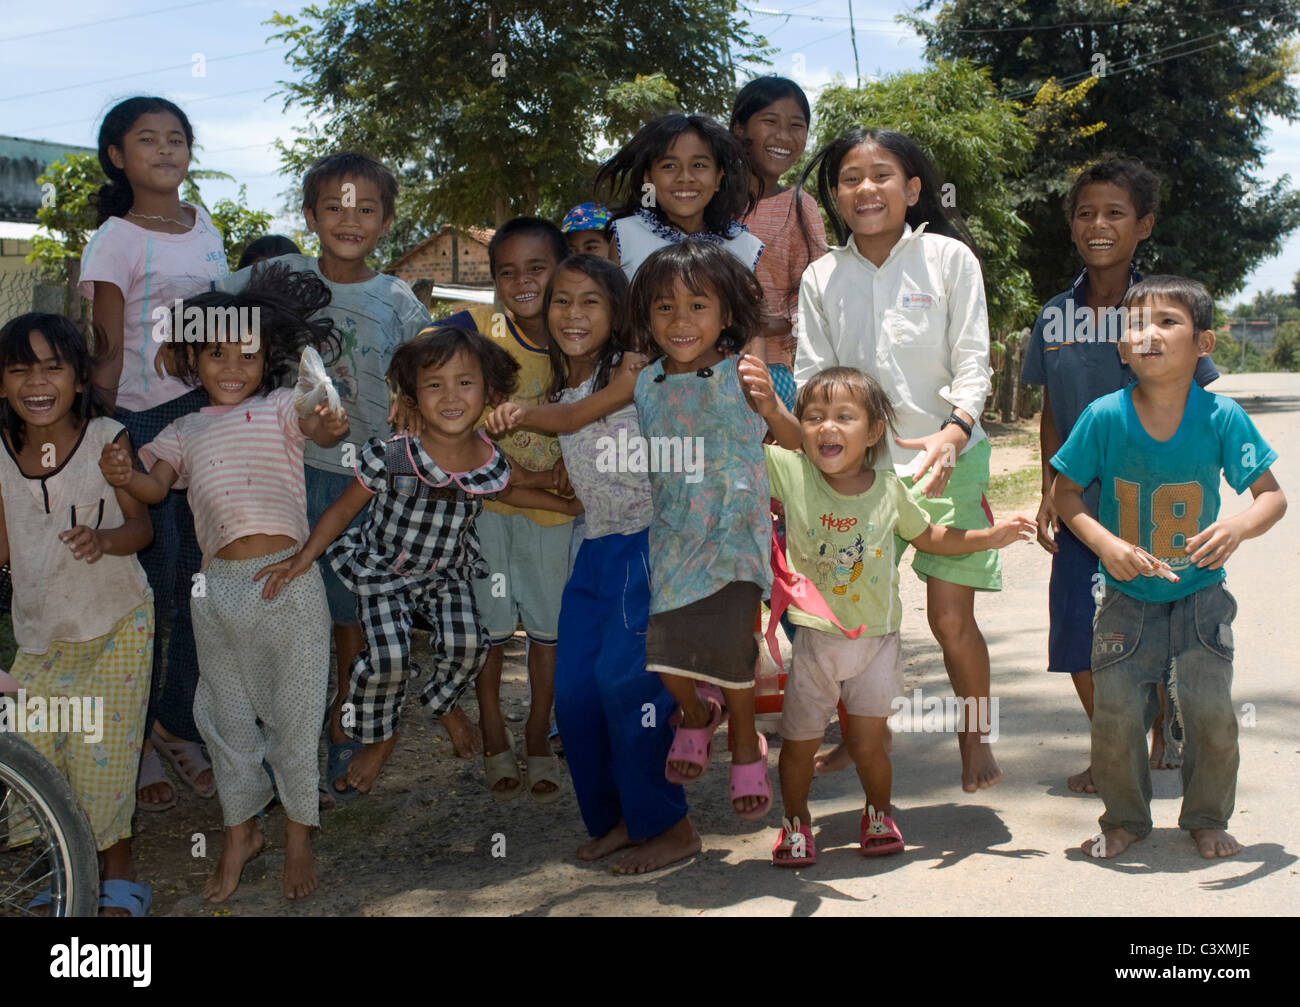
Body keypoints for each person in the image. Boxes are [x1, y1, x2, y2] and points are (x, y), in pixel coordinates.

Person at [100, 264, 347, 903]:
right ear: (192, 359)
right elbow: (154, 489)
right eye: (215, 353)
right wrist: (125, 470)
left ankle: (298, 837)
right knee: (226, 720)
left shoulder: (280, 408)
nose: (231, 366)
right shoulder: (183, 429)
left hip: (289, 583)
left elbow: (318, 425)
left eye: (246, 353)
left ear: (267, 359)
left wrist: (329, 422)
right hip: (218, 595)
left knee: (295, 718)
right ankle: (240, 833)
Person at [256, 326, 580, 800]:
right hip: (384, 569)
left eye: (465, 383)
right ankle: (380, 738)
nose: (451, 396)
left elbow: (513, 489)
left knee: (471, 646)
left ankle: (442, 702)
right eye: (434, 385)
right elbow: (344, 510)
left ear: (489, 392)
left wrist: (569, 506)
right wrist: (304, 558)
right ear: (412, 396)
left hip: (446, 574)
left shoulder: (487, 461)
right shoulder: (393, 455)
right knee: (386, 657)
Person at [741, 364, 1033, 863]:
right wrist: (769, 408)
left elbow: (932, 537)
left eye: (844, 417)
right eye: (813, 417)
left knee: (871, 745)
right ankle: (796, 824)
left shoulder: (889, 489)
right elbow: (746, 450)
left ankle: (878, 814)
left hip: (877, 647)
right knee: (796, 748)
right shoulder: (792, 474)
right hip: (813, 645)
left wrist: (991, 536)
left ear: (874, 431)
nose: (826, 427)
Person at [215, 153, 440, 795]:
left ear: (387, 220)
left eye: (366, 208)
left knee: (349, 616)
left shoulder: (396, 299)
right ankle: (269, 737)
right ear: (310, 216)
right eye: (334, 207)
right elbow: (205, 305)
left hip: (360, 484)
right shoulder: (278, 275)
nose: (350, 219)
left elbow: (426, 370)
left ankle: (346, 728)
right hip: (279, 472)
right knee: (275, 605)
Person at [794, 128, 1003, 792]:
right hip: (856, 479)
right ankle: (864, 736)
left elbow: (974, 364)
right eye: (850, 177)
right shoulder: (820, 276)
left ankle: (975, 737)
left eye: (882, 175)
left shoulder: (948, 259)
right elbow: (812, 382)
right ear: (835, 194)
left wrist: (952, 432)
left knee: (948, 620)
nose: (866, 188)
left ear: (913, 189)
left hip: (950, 461)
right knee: (854, 621)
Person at [1052, 275, 1285, 860]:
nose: (1147, 333)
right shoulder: (1103, 416)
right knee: (1117, 716)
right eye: (1135, 324)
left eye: (1167, 322)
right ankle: (1124, 820)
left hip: (1203, 596)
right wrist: (1104, 545)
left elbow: (1271, 497)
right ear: (1121, 345)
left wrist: (1237, 526)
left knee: (1211, 713)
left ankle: (1207, 817)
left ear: (1203, 343)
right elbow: (1066, 494)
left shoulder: (1223, 417)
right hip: (1126, 598)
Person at [486, 254, 700, 873]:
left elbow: (578, 422)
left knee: (626, 685)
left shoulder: (632, 370)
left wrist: (524, 415)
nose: (572, 314)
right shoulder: (564, 386)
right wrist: (520, 480)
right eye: (561, 301)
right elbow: (583, 476)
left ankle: (673, 827)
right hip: (596, 547)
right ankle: (620, 820)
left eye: (590, 302)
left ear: (617, 312)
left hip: (647, 543)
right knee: (574, 694)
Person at [1021, 157, 1220, 793]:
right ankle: (1116, 745)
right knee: (1079, 631)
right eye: (1085, 213)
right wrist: (1051, 485)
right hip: (1081, 505)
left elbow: (1201, 400)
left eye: (1114, 213)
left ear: (1144, 226)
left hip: (1156, 506)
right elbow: (1050, 406)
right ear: (1071, 226)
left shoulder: (1162, 313)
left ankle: (1163, 724)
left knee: (1157, 626)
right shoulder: (1053, 316)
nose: (1097, 224)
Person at [78, 96, 230, 813]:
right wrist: (97, 436)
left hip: (205, 416)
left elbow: (221, 317)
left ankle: (176, 721)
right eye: (148, 140)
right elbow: (105, 349)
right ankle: (135, 741)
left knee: (205, 582)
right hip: (135, 423)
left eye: (177, 138)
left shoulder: (205, 227)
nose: (166, 150)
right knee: (156, 587)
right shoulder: (113, 239)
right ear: (118, 155)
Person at [627, 240, 788, 818]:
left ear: (726, 315)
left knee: (730, 655)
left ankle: (746, 743)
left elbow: (795, 441)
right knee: (666, 658)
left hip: (735, 543)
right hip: (672, 539)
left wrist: (770, 407)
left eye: (698, 305)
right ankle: (697, 714)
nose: (681, 320)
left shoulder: (744, 375)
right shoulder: (645, 384)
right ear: (645, 317)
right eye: (664, 308)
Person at [0, 313, 155, 916]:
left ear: (79, 377)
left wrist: (103, 540)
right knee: (36, 751)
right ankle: (66, 871)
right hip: (41, 637)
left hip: (116, 625)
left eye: (52, 367)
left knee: (103, 760)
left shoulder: (107, 437)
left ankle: (119, 881)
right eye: (19, 370)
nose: (36, 382)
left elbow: (141, 525)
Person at [432, 218, 575, 802]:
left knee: (547, 632)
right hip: (487, 512)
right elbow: (431, 342)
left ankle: (538, 732)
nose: (522, 282)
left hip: (556, 514)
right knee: (491, 631)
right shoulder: (485, 326)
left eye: (537, 268)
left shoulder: (577, 330)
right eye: (506, 272)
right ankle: (494, 732)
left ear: (560, 270)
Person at [731, 76, 828, 411]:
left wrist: (758, 323)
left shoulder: (800, 207)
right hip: (693, 369)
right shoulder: (707, 201)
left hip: (772, 373)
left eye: (797, 125)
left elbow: (815, 300)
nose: (784, 136)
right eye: (770, 121)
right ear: (739, 128)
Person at [595, 114, 762, 280]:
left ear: (718, 178)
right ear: (649, 178)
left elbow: (753, 307)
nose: (685, 177)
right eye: (669, 166)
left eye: (698, 165)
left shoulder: (744, 246)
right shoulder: (626, 237)